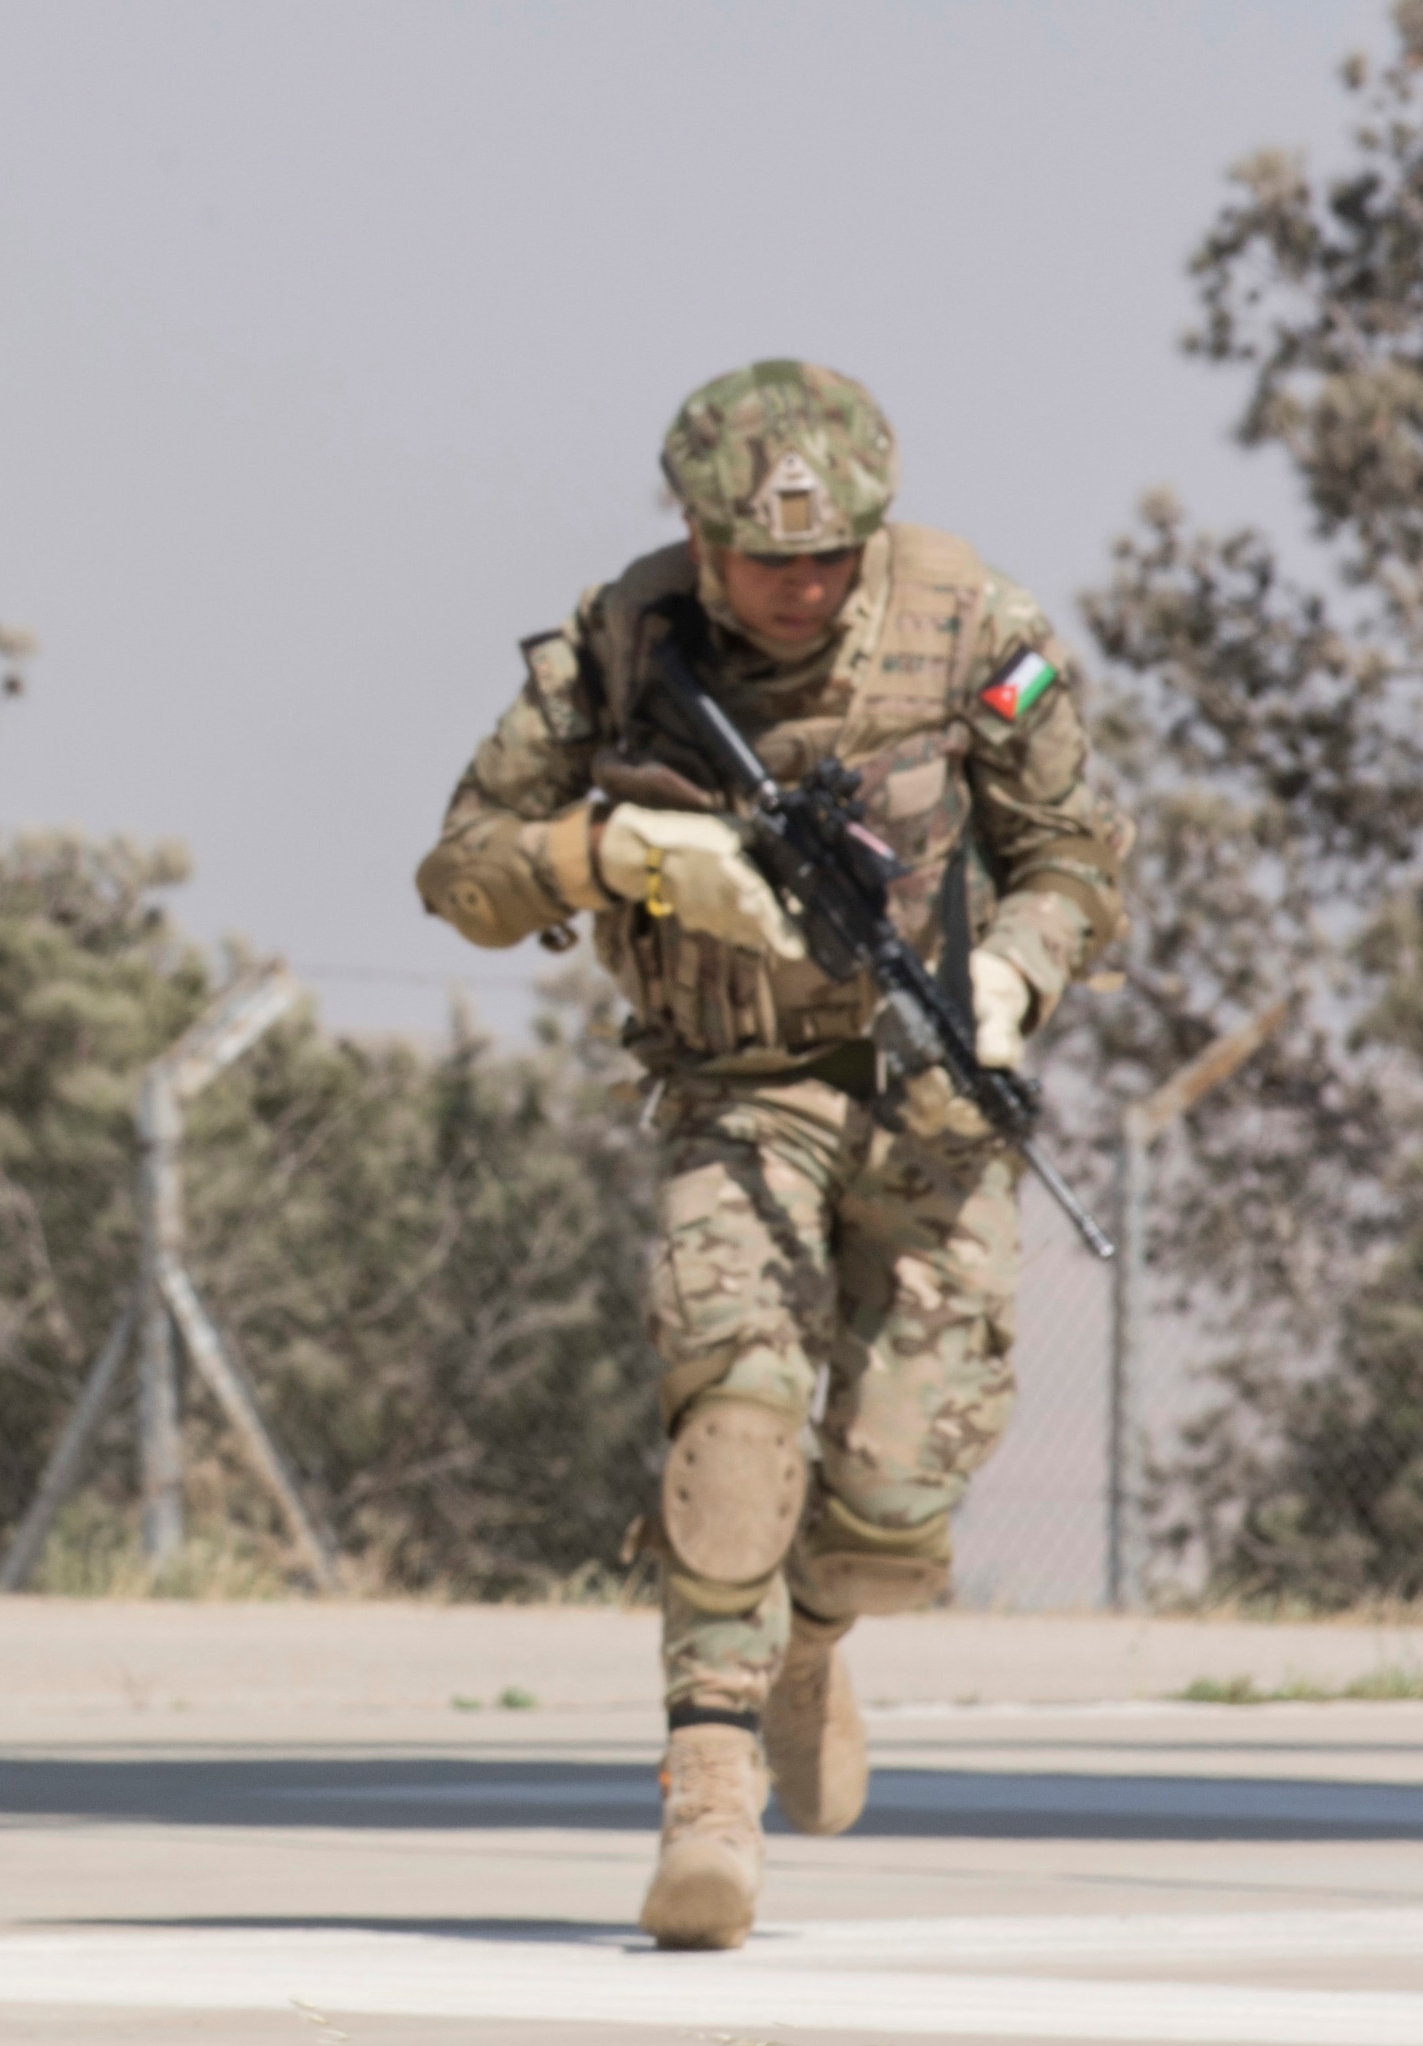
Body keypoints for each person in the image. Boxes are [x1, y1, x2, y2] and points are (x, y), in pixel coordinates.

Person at [413, 360, 1126, 1949]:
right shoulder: (618, 648)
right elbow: (456, 867)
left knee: (889, 1497)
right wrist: (604, 854)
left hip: (932, 1106)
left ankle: (809, 1640)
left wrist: (1014, 965)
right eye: (759, 558)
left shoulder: (973, 629)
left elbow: (1077, 852)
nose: (795, 586)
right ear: (696, 533)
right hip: (733, 1090)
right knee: (734, 1386)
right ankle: (710, 1787)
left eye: (823, 558)